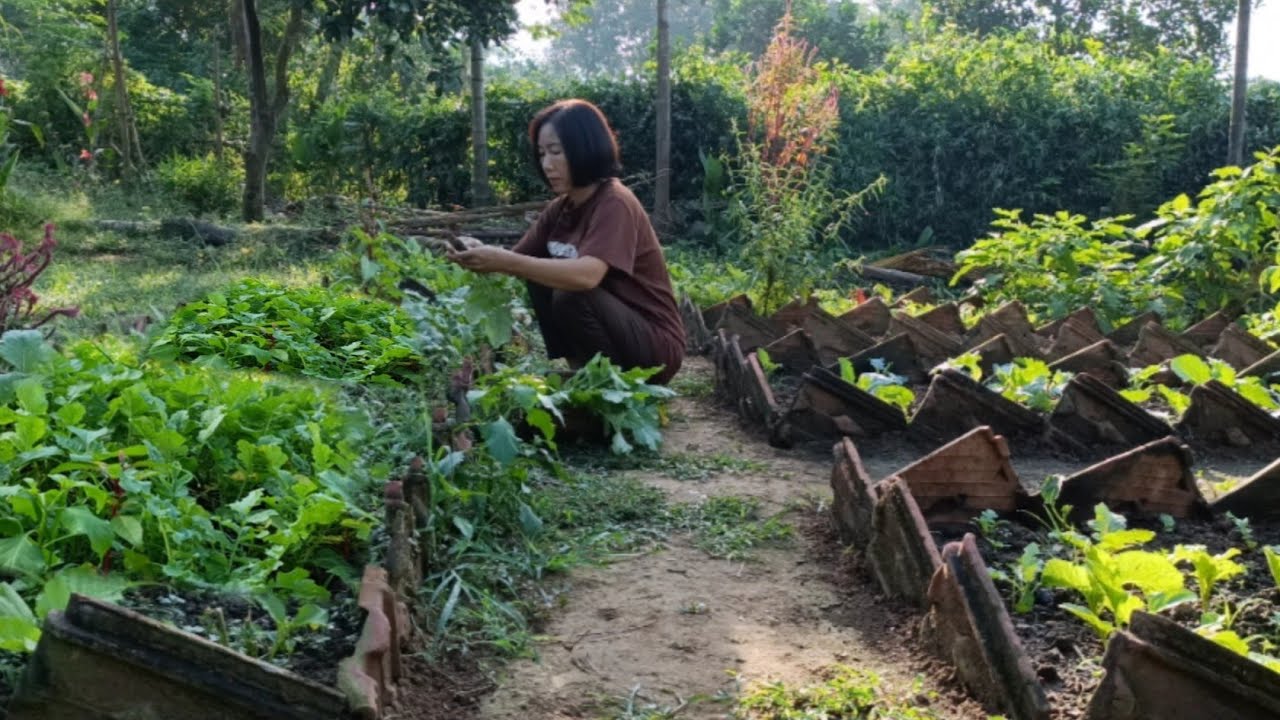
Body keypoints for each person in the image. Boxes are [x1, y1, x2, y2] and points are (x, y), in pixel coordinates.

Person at [447, 98, 685, 384]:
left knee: (569, 291)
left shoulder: (615, 202)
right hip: (616, 335)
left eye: (556, 152)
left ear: (584, 148)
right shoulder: (561, 208)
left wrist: (509, 261)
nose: (547, 164)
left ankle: (615, 386)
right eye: (542, 153)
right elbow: (515, 258)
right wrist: (477, 250)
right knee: (538, 275)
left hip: (654, 347)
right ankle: (581, 370)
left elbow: (587, 276)